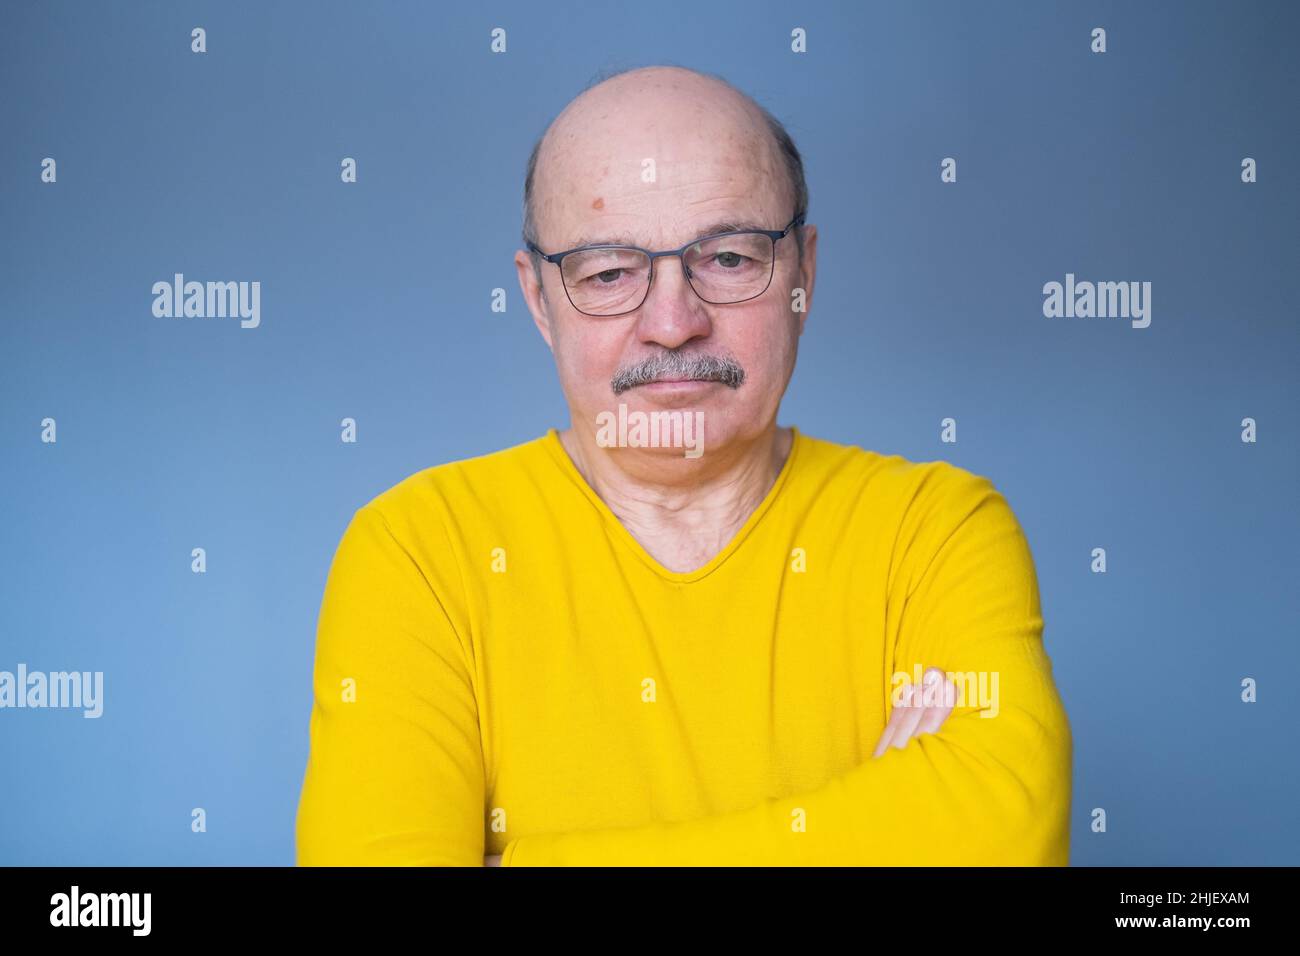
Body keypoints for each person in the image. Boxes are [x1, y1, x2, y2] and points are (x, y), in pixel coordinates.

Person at [294, 64, 1072, 866]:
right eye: (608, 273)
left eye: (729, 259)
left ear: (804, 273)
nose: (672, 323)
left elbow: (1001, 841)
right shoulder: (419, 552)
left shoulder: (936, 533)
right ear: (537, 301)